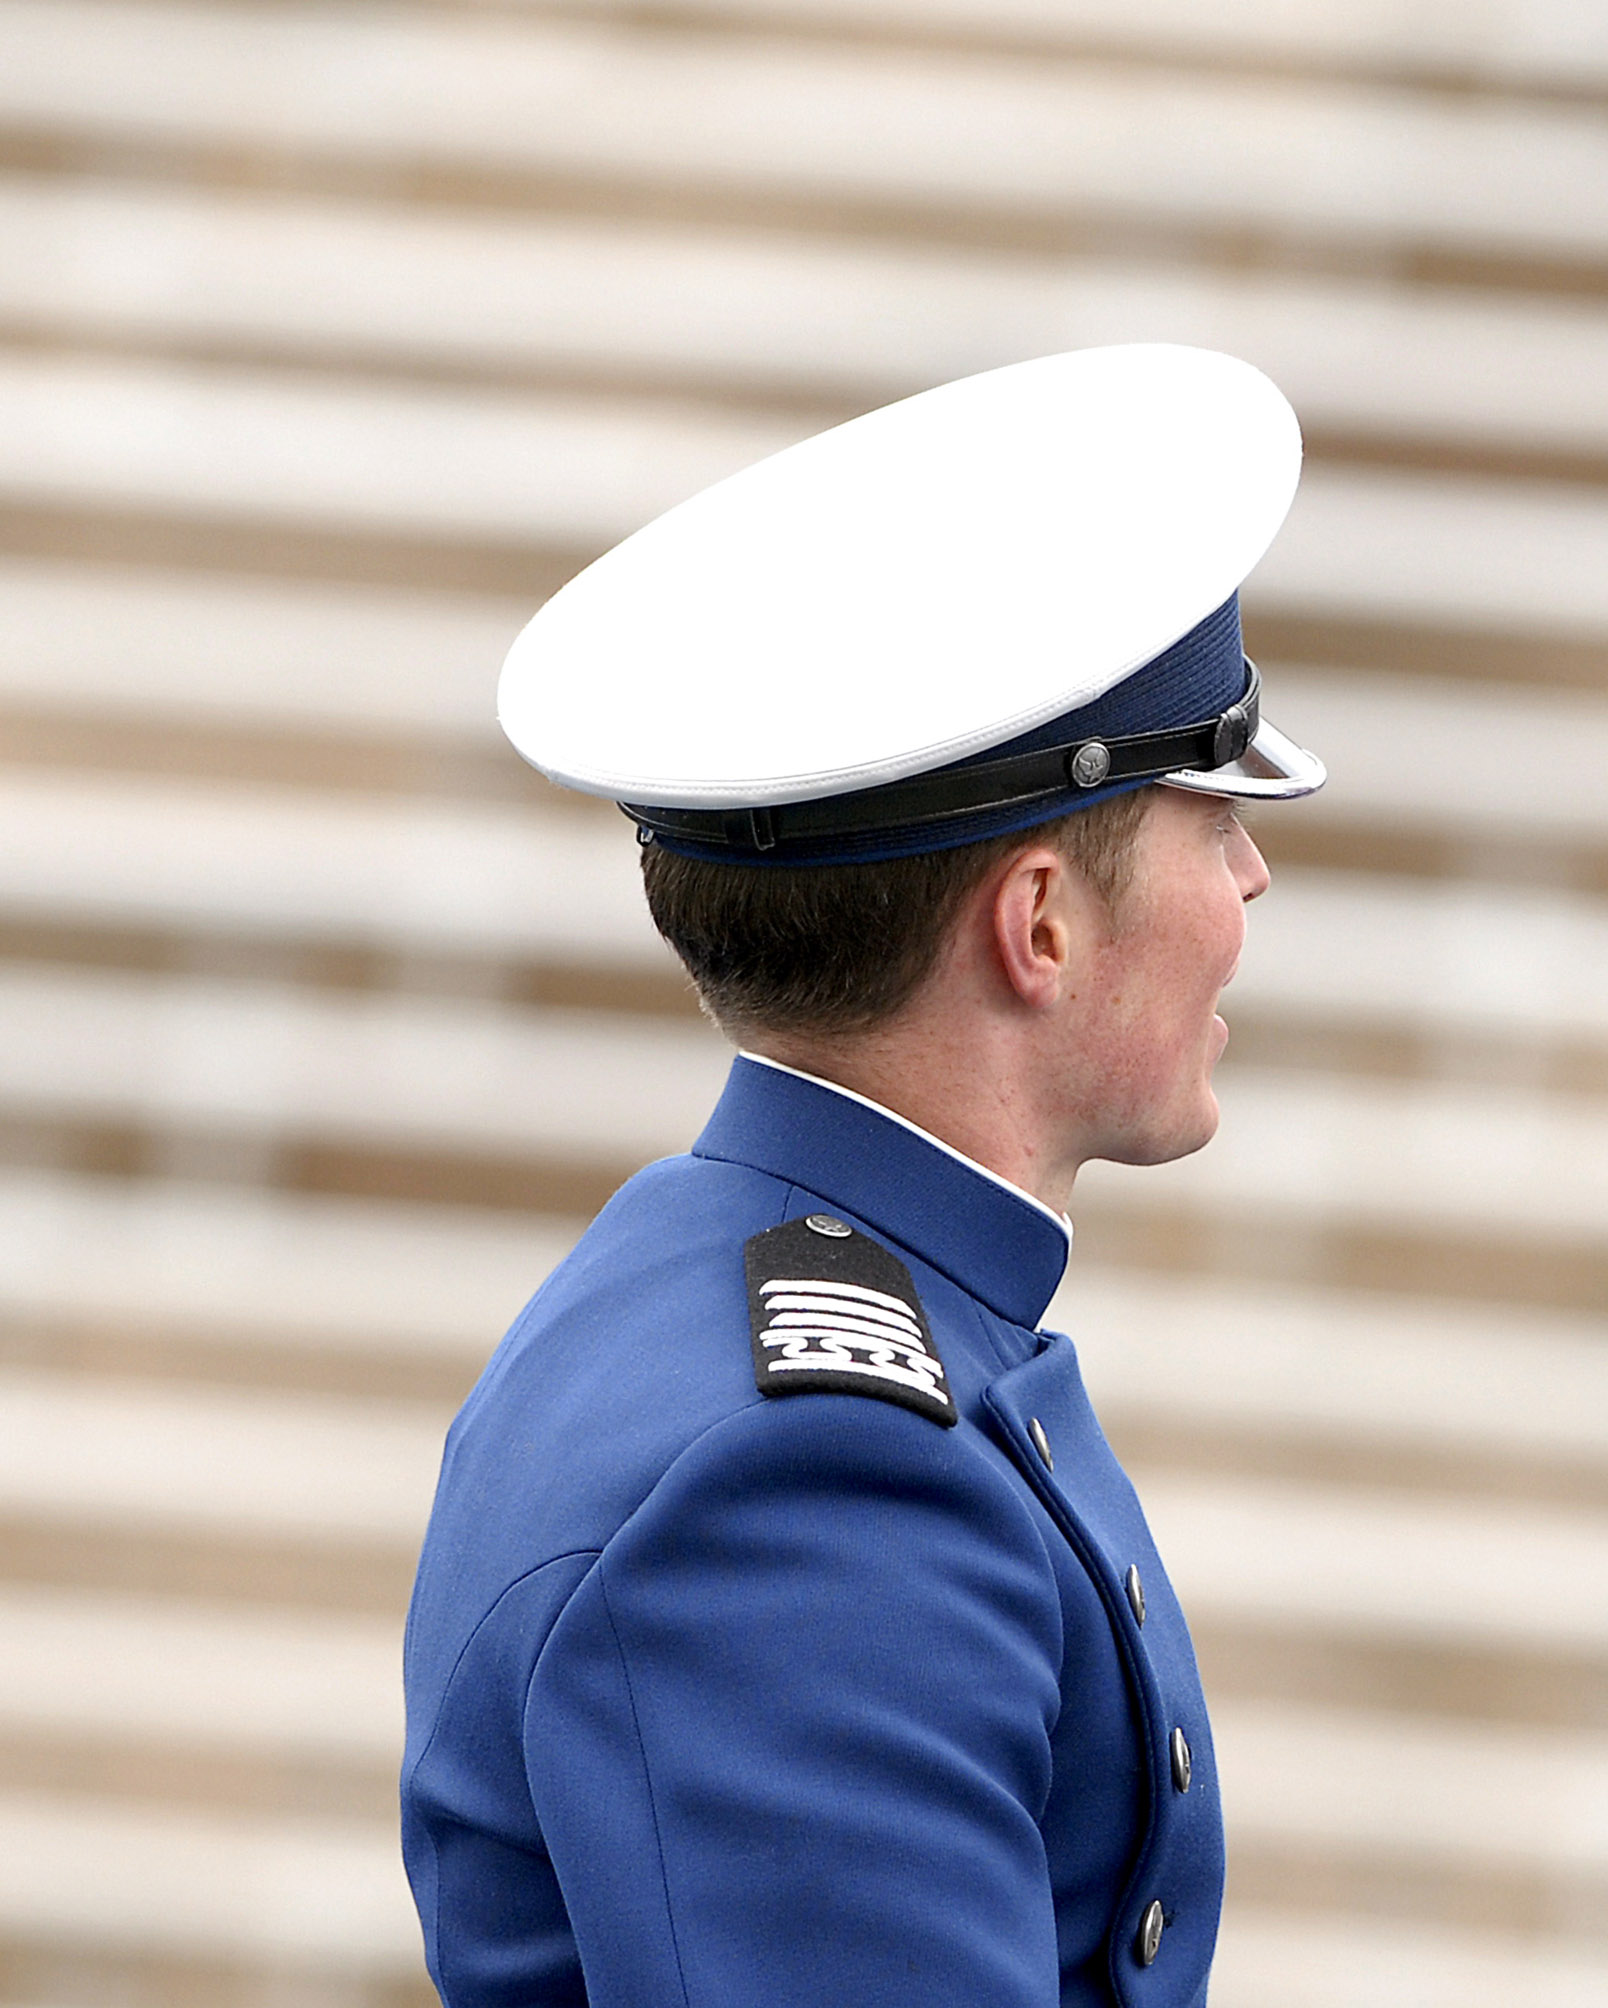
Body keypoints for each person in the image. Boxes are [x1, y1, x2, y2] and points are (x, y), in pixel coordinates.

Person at [399, 344, 1325, 2006]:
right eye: (1211, 818)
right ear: (1040, 926)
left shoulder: (699, 1278)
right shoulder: (811, 1491)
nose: (1251, 878)